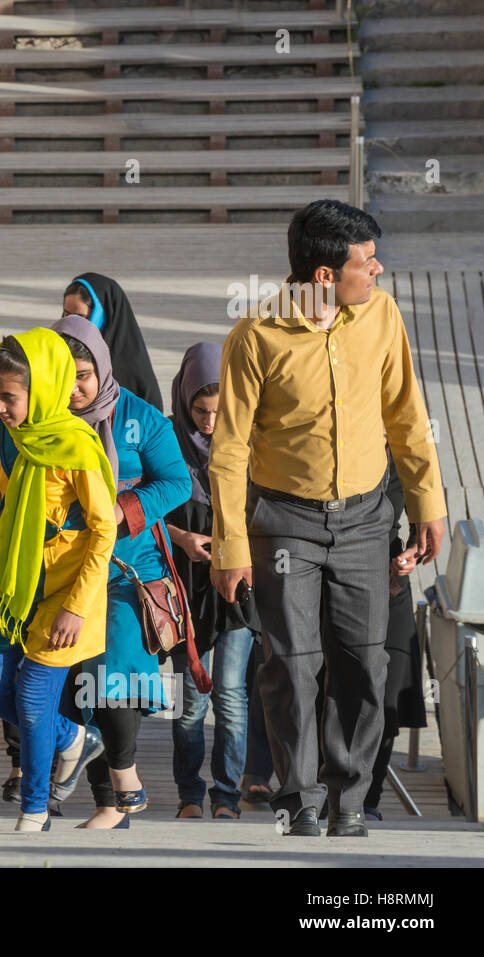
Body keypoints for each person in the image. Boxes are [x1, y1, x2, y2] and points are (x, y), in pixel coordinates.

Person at [209, 199, 446, 838]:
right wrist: (231, 546)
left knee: (367, 663)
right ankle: (299, 798)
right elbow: (228, 451)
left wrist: (428, 503)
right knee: (291, 663)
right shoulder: (254, 339)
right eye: (365, 263)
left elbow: (406, 414)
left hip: (367, 519)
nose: (378, 272)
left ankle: (349, 794)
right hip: (284, 520)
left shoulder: (382, 316)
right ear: (322, 275)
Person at [0, 330, 117, 831]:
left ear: (41, 389)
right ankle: (72, 739)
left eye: (9, 397)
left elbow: (103, 530)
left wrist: (77, 606)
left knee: (32, 697)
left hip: (66, 594)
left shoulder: (76, 445)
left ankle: (35, 811)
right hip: (10, 588)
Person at [52, 314, 191, 829]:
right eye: (63, 378)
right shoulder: (43, 420)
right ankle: (107, 802)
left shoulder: (140, 417)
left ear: (102, 368)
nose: (73, 390)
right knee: (72, 678)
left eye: (83, 377)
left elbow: (176, 483)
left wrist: (122, 508)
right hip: (63, 567)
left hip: (126, 570)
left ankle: (123, 785)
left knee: (112, 671)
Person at [165, 342, 259, 820]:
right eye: (200, 411)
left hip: (238, 588)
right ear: (184, 402)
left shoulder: (248, 442)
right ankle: (189, 794)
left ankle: (225, 796)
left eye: (219, 412)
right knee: (189, 702)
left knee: (230, 694)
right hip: (187, 588)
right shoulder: (165, 441)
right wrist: (183, 539)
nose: (209, 422)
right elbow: (144, 512)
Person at [365, 454, 428, 821]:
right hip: (338, 582)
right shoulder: (339, 448)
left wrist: (413, 554)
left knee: (387, 704)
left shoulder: (407, 457)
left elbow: (424, 529)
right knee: (337, 696)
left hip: (392, 585)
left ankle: (369, 800)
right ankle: (334, 793)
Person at [62, 272, 162, 410]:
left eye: (80, 317)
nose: (71, 323)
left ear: (102, 315)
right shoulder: (58, 348)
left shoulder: (130, 363)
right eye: (66, 314)